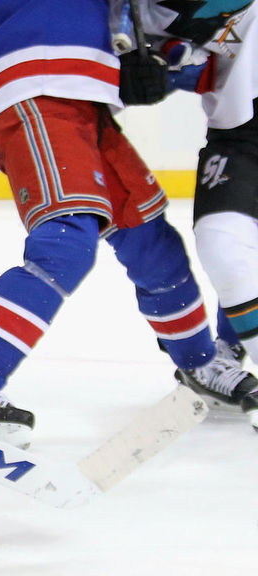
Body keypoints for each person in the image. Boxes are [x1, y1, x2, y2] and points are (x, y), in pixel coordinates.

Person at [0, 0, 258, 444]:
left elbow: (170, 46)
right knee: (67, 242)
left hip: (84, 101)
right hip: (35, 83)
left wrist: (158, 67)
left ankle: (201, 364)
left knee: (152, 243)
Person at [126, 1, 258, 423]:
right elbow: (193, 59)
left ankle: (227, 343)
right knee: (224, 244)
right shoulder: (136, 11)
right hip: (243, 136)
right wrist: (151, 71)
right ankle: (225, 346)